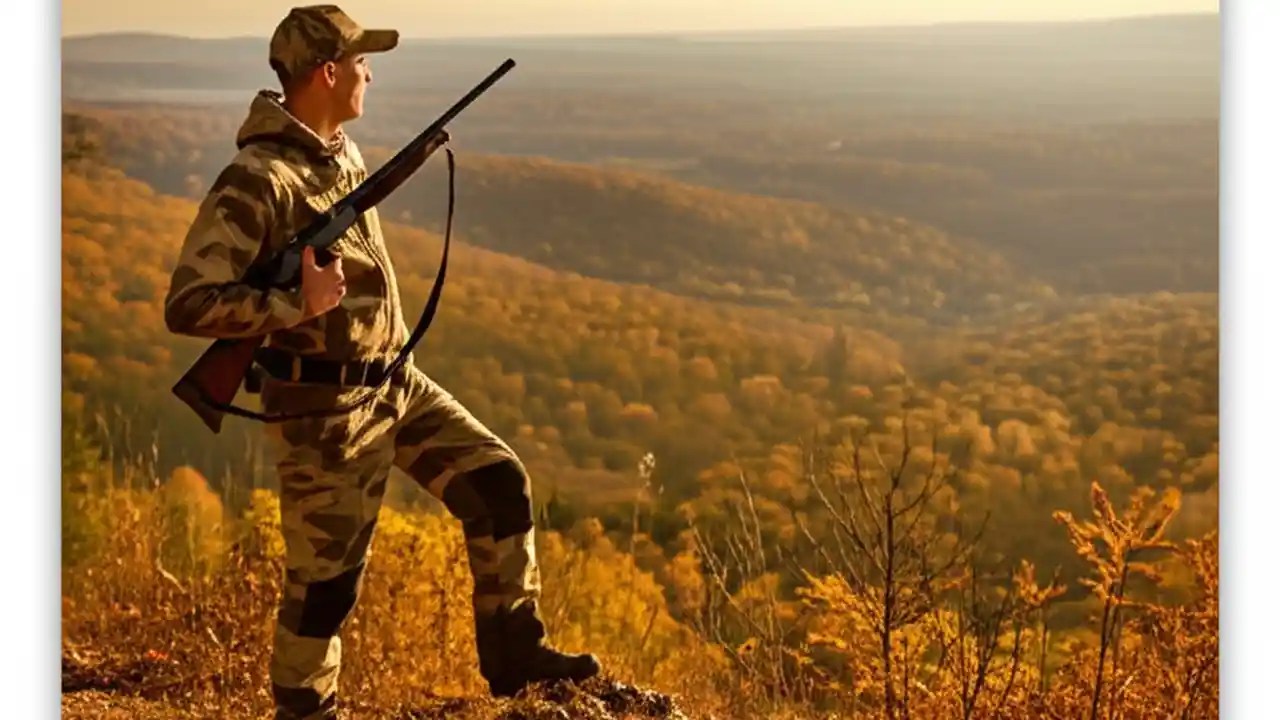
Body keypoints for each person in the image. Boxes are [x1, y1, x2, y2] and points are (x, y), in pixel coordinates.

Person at [162, 6, 600, 719]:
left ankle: (517, 657)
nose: (370, 74)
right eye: (361, 62)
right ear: (327, 73)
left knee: (498, 484)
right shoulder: (257, 179)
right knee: (324, 589)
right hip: (325, 415)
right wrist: (293, 306)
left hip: (394, 384)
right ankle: (307, 712)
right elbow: (189, 304)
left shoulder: (341, 155)